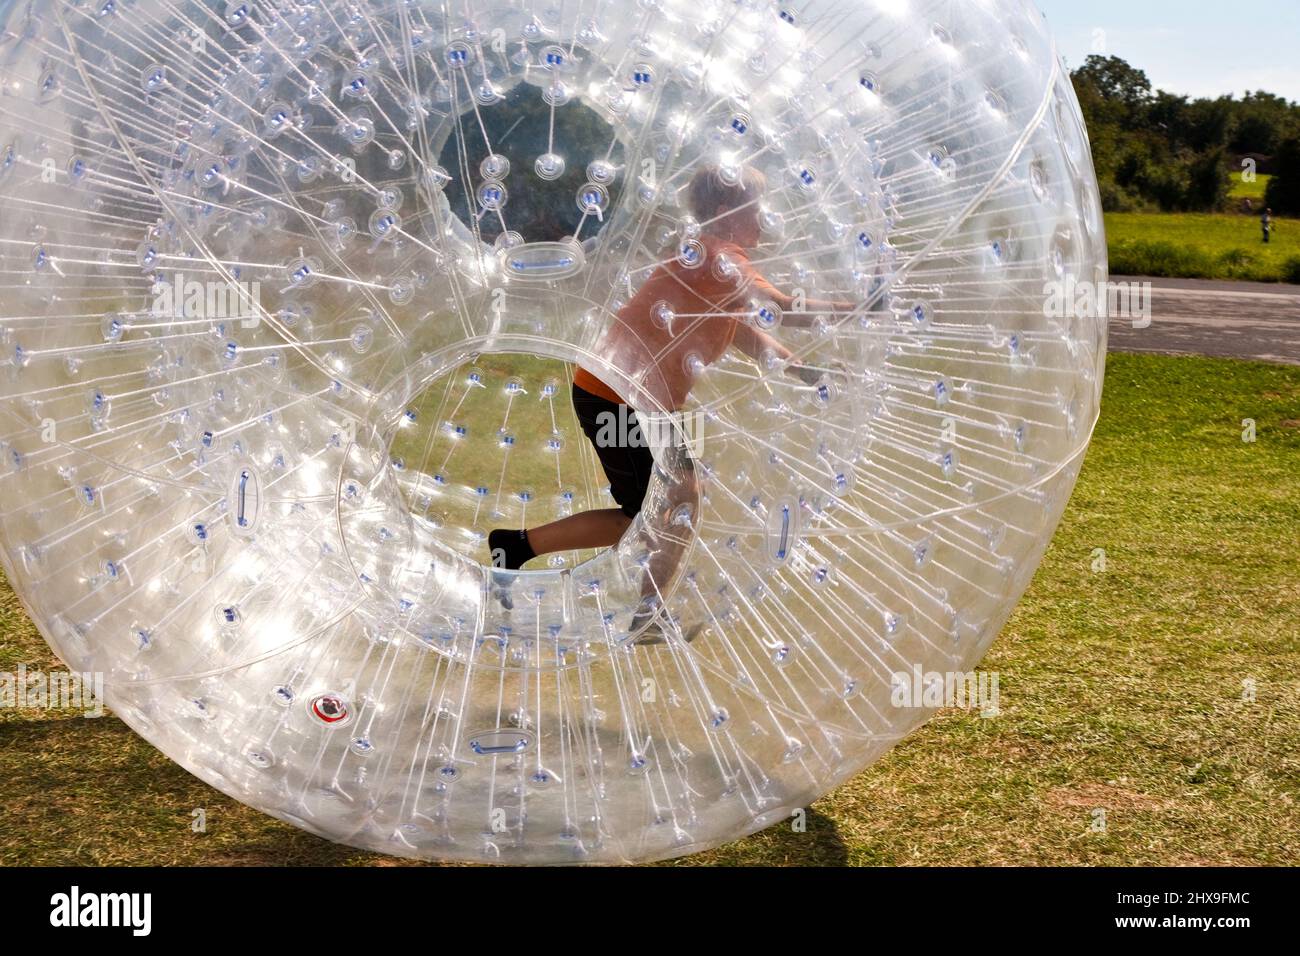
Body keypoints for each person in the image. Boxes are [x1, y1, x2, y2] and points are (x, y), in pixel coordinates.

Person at [488, 164, 855, 637]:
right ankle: (641, 615)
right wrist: (862, 308)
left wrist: (805, 371)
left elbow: (744, 331)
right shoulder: (713, 254)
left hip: (636, 399)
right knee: (663, 509)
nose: (766, 220)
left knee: (667, 507)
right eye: (757, 209)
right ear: (726, 212)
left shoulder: (714, 263)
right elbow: (780, 309)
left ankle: (526, 553)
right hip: (617, 397)